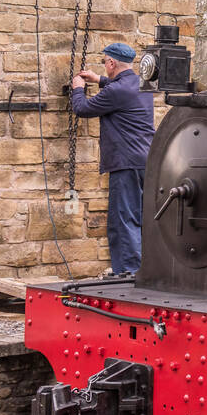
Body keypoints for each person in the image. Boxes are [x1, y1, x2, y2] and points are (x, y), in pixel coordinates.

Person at [70, 42, 156, 274]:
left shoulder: (116, 91)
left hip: (126, 162)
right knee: (143, 219)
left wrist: (77, 87)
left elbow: (83, 109)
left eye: (104, 62)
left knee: (124, 220)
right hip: (147, 160)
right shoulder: (141, 84)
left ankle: (128, 272)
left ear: (111, 63)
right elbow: (119, 87)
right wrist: (98, 79)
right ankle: (145, 270)